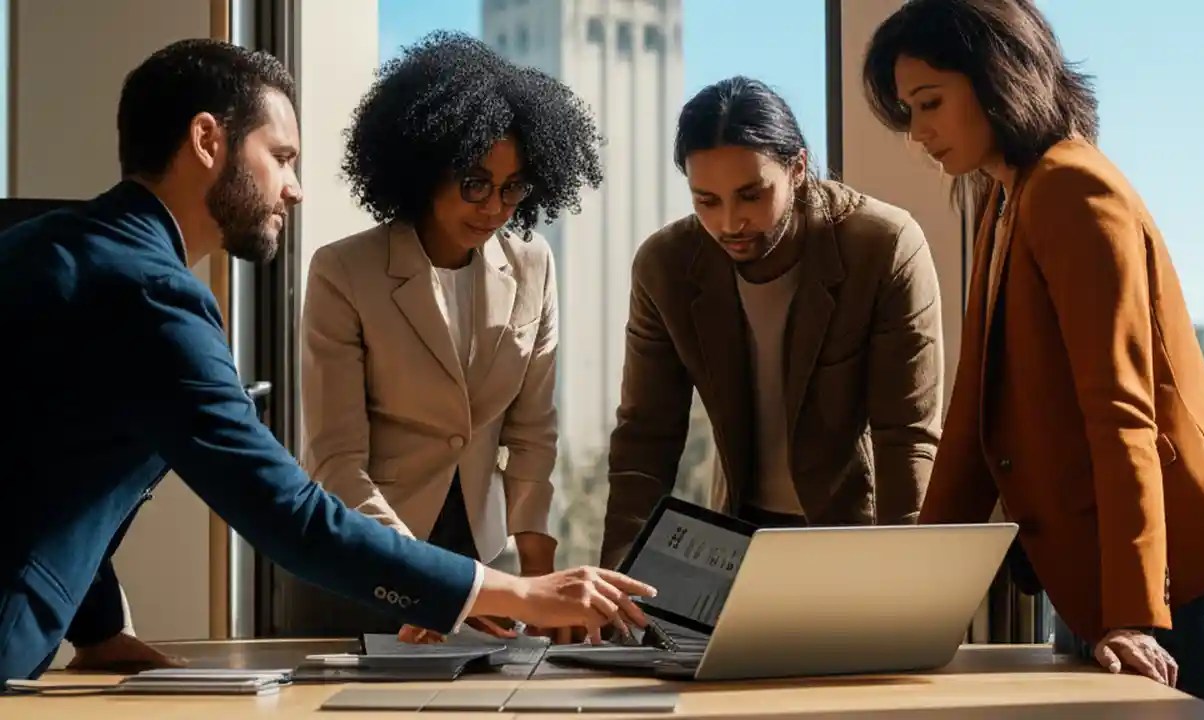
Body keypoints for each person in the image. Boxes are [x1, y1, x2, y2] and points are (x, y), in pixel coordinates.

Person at [0, 38, 653, 684]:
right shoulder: (155, 298)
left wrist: (100, 631)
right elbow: (291, 516)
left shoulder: (43, 250)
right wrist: (519, 595)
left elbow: (51, 462)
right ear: (207, 141)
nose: (295, 189)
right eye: (282, 158)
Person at [861, 0, 1204, 711]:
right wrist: (915, 596)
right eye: (908, 111)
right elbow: (972, 420)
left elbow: (1122, 412)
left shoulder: (1073, 189)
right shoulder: (1005, 196)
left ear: (997, 78)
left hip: (1179, 567)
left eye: (930, 103)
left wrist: (1134, 615)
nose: (919, 133)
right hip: (1108, 569)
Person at [300, 32, 600, 644]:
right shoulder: (343, 272)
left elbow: (533, 434)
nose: (494, 206)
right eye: (474, 183)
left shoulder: (533, 264)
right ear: (424, 168)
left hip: (482, 557)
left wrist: (540, 583)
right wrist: (424, 582)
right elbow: (336, 461)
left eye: (513, 187)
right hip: (365, 556)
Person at [600, 76, 945, 569]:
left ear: (798, 168)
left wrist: (907, 579)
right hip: (740, 536)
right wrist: (616, 576)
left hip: (855, 532)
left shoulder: (884, 246)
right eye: (707, 201)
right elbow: (644, 438)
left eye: (751, 195)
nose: (729, 222)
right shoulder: (665, 265)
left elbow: (907, 437)